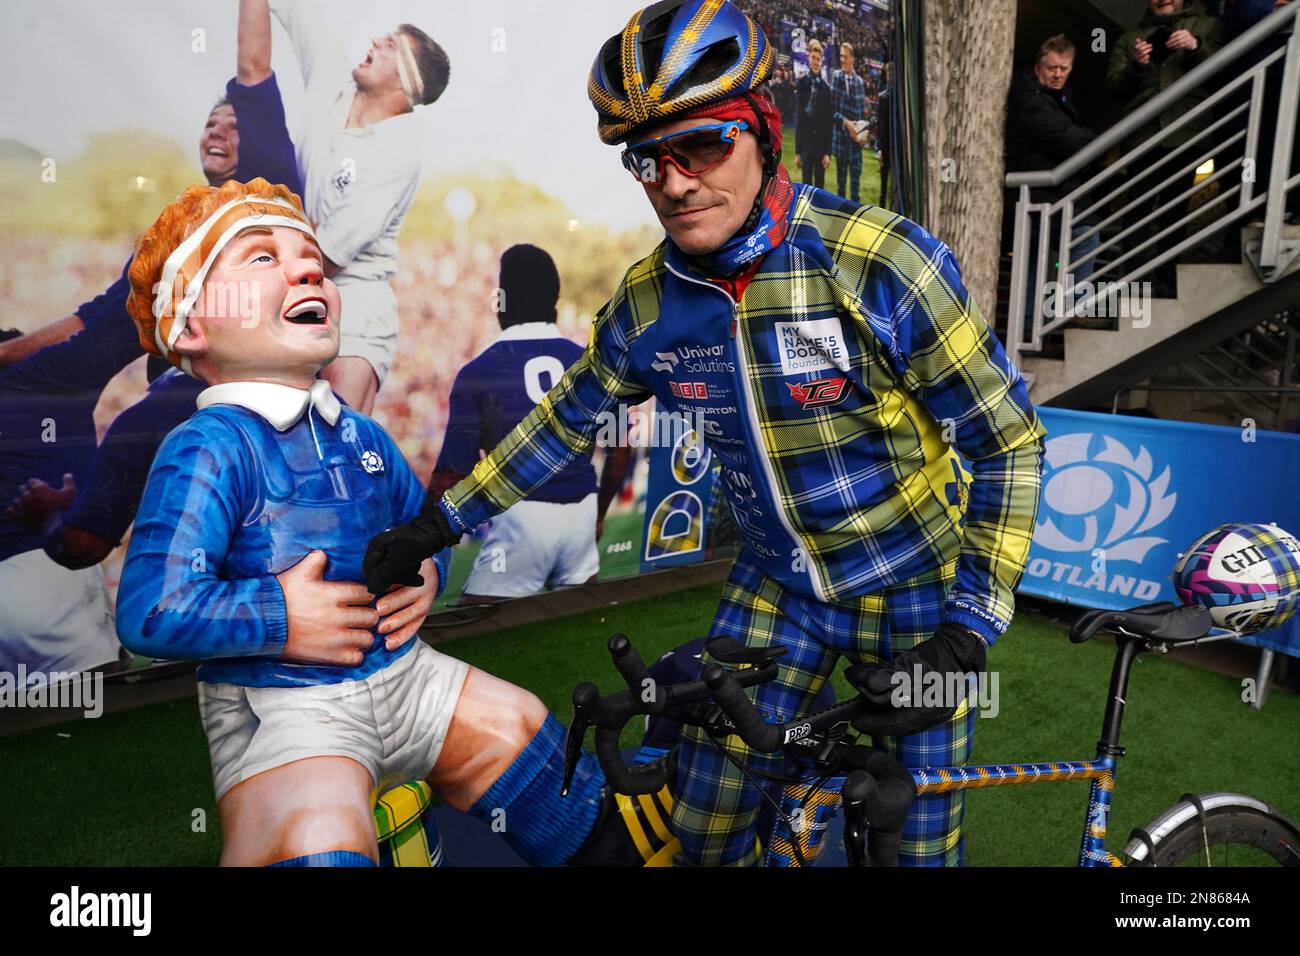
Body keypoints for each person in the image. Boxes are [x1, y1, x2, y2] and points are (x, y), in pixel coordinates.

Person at [365, 0, 1046, 868]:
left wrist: (969, 631)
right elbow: (567, 420)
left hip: (913, 590)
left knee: (912, 850)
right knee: (705, 832)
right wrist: (440, 523)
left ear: (763, 132)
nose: (676, 181)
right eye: (648, 160)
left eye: (705, 144)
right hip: (775, 586)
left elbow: (1007, 442)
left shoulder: (880, 260)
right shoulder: (649, 301)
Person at [114, 179, 655, 867]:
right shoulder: (209, 447)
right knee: (316, 833)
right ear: (191, 324)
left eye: (310, 256)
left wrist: (423, 573)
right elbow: (150, 609)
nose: (308, 268)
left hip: (405, 676)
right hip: (286, 711)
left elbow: (416, 529)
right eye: (260, 257)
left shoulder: (359, 432)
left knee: (517, 723)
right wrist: (281, 613)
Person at [0, 0, 304, 678]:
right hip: (191, 398)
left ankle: (75, 535)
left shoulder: (271, 192)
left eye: (234, 118)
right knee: (137, 458)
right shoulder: (174, 237)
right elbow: (94, 331)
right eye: (209, 120)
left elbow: (254, 67)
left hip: (251, 387)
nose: (218, 125)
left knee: (139, 441)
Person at [269, 0, 450, 415]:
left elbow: (326, 256)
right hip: (299, 289)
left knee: (333, 452)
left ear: (407, 83)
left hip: (353, 312)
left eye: (390, 46)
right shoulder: (333, 81)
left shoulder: (396, 156)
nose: (374, 42)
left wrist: (266, 240)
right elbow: (298, 12)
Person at [430, 245, 620, 602]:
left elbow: (451, 476)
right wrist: (599, 513)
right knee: (576, 626)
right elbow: (622, 447)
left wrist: (419, 534)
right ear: (554, 299)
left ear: (502, 300)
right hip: (581, 509)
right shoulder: (590, 362)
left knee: (474, 632)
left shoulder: (478, 373)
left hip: (521, 519)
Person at [1106, 0, 1224, 288]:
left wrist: (1196, 47)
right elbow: (1113, 87)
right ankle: (1132, 283)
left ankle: (1165, 282)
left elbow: (1223, 71)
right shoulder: (1129, 38)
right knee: (1137, 211)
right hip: (1142, 137)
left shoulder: (1208, 26)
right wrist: (1136, 66)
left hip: (1186, 135)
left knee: (1175, 209)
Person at [1005, 35, 1102, 336]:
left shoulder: (1053, 98)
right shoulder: (1031, 100)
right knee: (1084, 236)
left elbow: (1070, 139)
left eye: (1064, 68)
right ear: (1038, 68)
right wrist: (1086, 138)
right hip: (1035, 198)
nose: (1058, 74)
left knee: (1037, 263)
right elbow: (1070, 141)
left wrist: (1078, 138)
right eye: (1052, 68)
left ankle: (1031, 327)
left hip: (1046, 199)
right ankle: (1066, 311)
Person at [831, 41, 867, 202]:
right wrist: (847, 123)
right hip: (840, 142)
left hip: (855, 145)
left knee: (855, 190)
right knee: (840, 188)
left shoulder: (860, 82)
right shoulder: (836, 77)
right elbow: (832, 111)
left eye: (845, 56)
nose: (842, 59)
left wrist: (863, 133)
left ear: (852, 59)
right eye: (841, 56)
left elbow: (862, 114)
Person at [794, 39, 832, 190]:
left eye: (818, 59)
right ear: (808, 58)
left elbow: (829, 123)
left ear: (822, 61)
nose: (816, 62)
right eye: (813, 58)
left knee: (819, 189)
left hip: (821, 147)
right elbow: (799, 119)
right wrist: (798, 152)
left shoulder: (826, 89)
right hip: (806, 146)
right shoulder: (802, 84)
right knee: (806, 188)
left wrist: (828, 152)